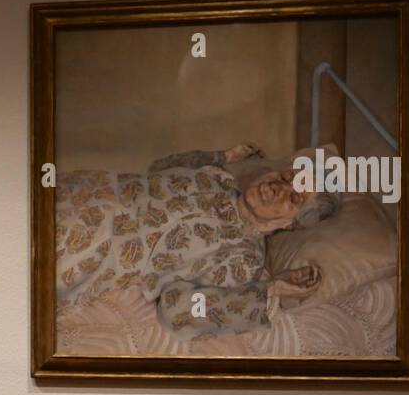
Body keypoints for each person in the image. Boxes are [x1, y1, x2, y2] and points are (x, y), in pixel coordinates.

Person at [57, 143, 341, 338]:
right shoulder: (219, 177)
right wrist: (223, 155)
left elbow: (177, 309)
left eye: (293, 198)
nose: (278, 187)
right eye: (286, 176)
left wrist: (271, 291)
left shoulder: (242, 259)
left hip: (85, 242)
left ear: (289, 224)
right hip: (80, 188)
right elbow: (158, 167)